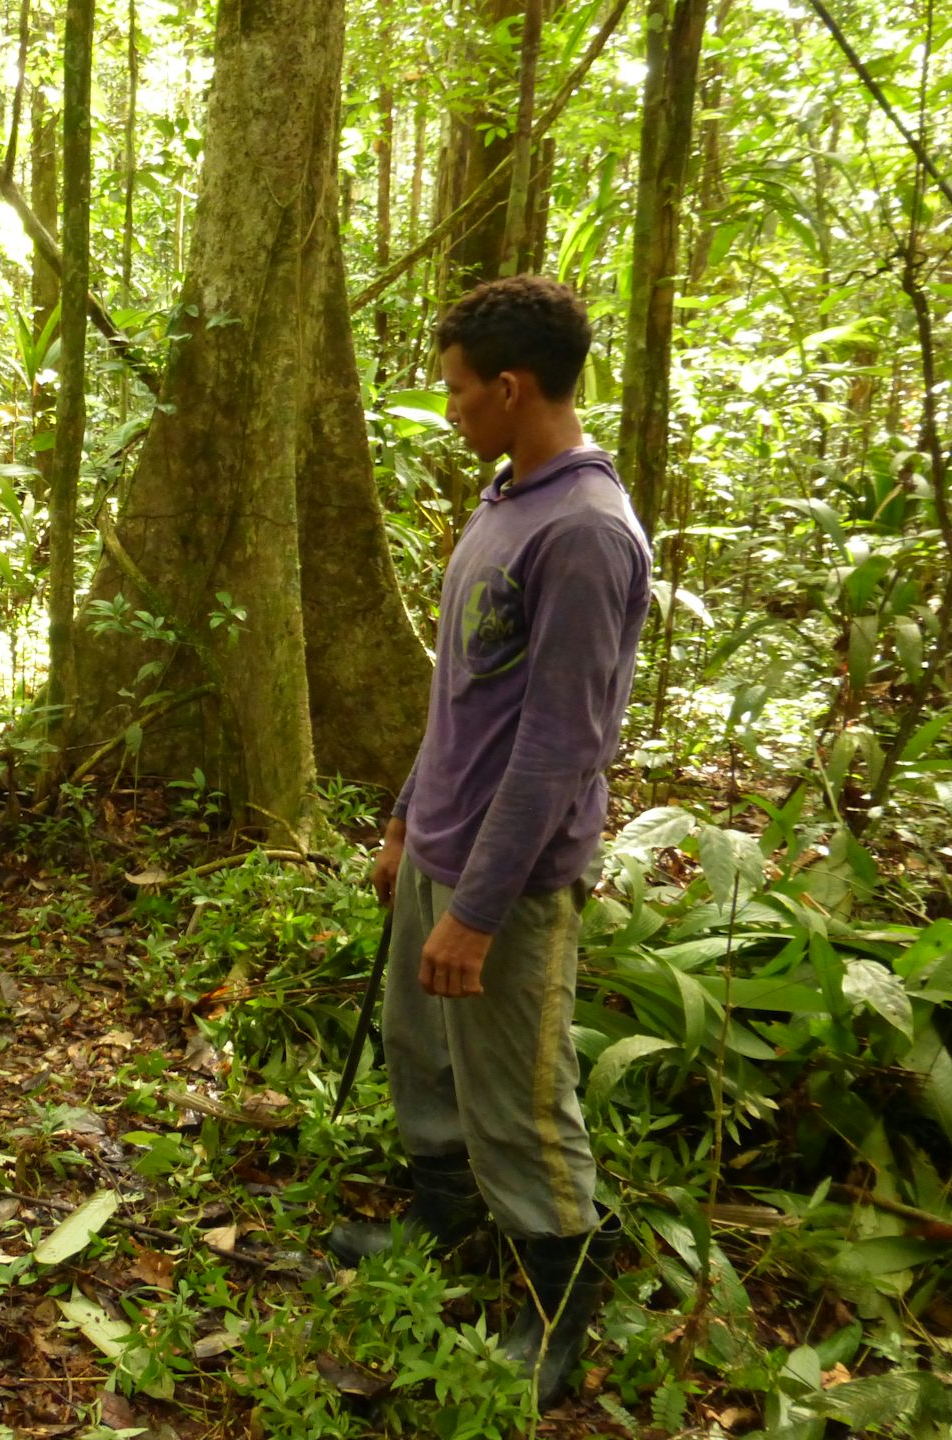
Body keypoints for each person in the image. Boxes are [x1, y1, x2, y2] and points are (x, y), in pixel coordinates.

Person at [327, 277, 652, 1409]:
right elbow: (462, 694)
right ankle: (440, 1214)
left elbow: (560, 746)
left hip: (509, 883)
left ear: (512, 388)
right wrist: (410, 822)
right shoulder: (505, 497)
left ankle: (559, 1292)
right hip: (443, 846)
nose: (449, 405)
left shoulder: (585, 535)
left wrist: (475, 908)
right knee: (423, 1050)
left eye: (460, 390)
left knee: (517, 1090)